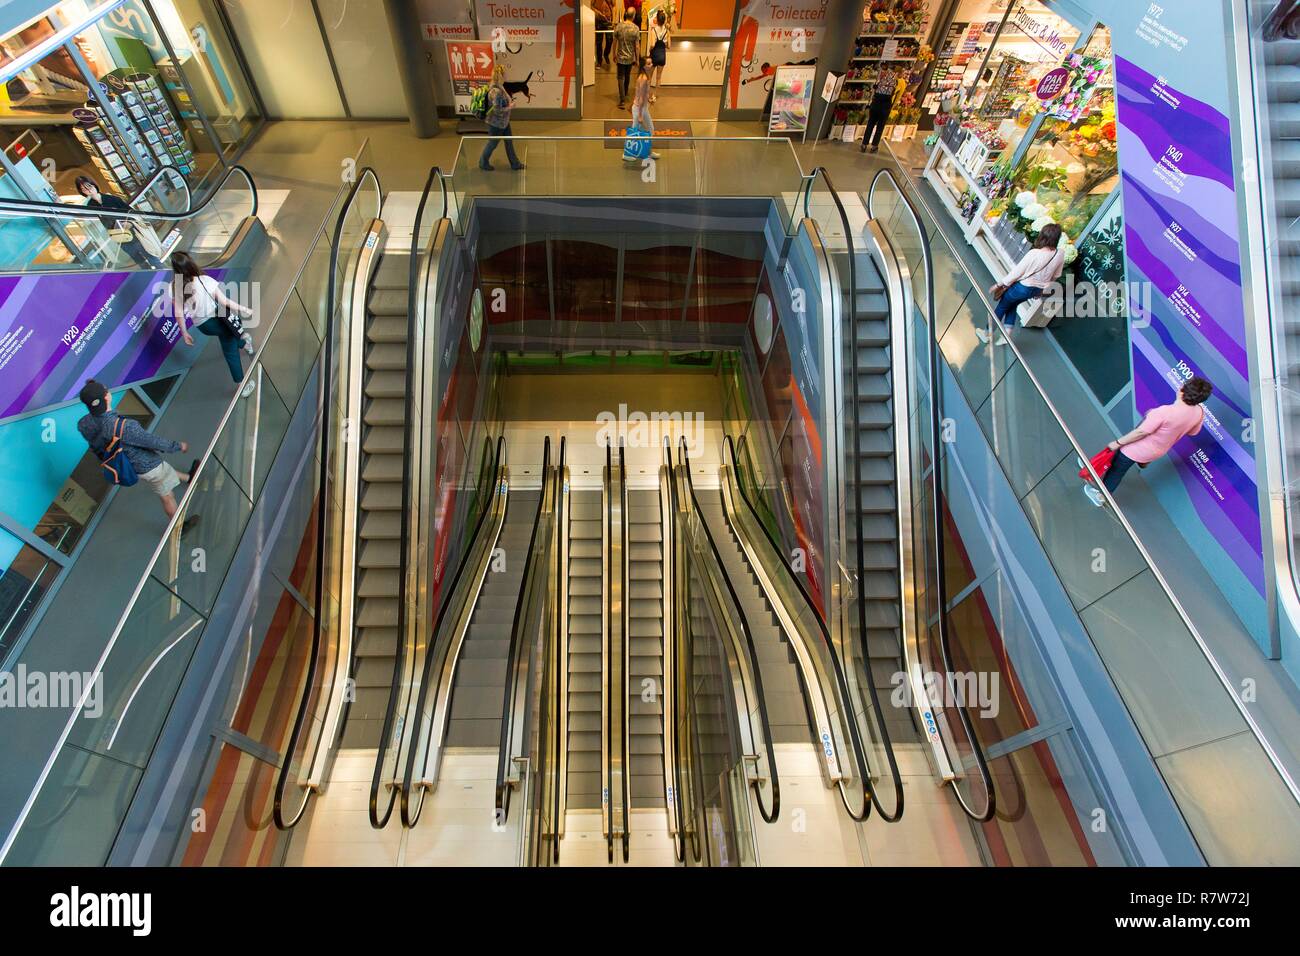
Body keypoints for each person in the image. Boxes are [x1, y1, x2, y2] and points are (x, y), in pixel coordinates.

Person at [77, 379, 198, 525]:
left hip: (126, 464)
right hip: (147, 465)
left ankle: (188, 477)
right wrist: (178, 446)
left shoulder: (83, 424)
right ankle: (179, 526)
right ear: (107, 397)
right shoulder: (124, 427)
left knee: (164, 474)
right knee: (167, 495)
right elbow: (152, 441)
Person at [1083, 377, 1213, 507]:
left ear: (1182, 391)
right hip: (1157, 451)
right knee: (1120, 465)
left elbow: (1141, 432)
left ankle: (1102, 496)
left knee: (1117, 470)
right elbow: (1193, 432)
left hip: (1136, 449)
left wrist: (1117, 442)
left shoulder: (1164, 412)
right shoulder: (1199, 412)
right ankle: (1097, 470)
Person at [170, 250, 258, 398]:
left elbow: (179, 314)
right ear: (191, 263)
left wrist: (184, 333)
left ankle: (245, 344)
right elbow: (225, 302)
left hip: (203, 326)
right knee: (230, 348)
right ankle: (241, 386)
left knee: (229, 333)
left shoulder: (175, 286)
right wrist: (245, 309)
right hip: (216, 319)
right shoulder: (204, 280)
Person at [976, 223, 1065, 344]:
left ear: (1042, 236)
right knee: (1012, 306)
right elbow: (1056, 275)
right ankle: (1006, 337)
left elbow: (1016, 273)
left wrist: (999, 284)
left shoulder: (1034, 253)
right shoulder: (1059, 254)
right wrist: (1043, 290)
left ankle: (986, 334)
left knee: (1002, 306)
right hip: (1036, 290)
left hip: (1022, 288)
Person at [74, 175, 160, 270]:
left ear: (94, 185)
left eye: (89, 186)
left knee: (149, 254)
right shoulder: (91, 206)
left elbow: (132, 212)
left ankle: (165, 273)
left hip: (132, 232)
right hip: (119, 236)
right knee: (138, 259)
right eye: (84, 189)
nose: (88, 190)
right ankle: (151, 275)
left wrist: (130, 223)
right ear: (82, 192)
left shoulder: (111, 199)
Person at [479, 65, 526, 172]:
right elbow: (497, 110)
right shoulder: (496, 91)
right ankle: (483, 162)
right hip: (496, 124)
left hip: (504, 122)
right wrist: (510, 107)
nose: (507, 75)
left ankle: (515, 164)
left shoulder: (499, 86)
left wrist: (509, 102)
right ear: (501, 75)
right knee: (492, 144)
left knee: (509, 142)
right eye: (505, 73)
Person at [626, 56, 661, 161]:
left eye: (651, 63)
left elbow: (642, 94)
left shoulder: (644, 76)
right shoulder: (644, 79)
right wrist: (640, 115)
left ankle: (647, 151)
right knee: (638, 130)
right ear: (643, 66)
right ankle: (627, 154)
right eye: (648, 64)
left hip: (641, 108)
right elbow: (640, 97)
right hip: (639, 109)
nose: (651, 65)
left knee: (641, 130)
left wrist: (649, 99)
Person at [859, 67, 898, 154]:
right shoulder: (895, 82)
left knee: (870, 124)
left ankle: (864, 144)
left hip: (876, 104)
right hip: (885, 106)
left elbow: (874, 90)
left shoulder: (879, 81)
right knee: (880, 127)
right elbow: (895, 93)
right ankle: (874, 146)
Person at [614, 8, 641, 110]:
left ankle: (622, 100)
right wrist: (637, 59)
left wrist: (613, 54)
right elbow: (637, 46)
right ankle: (624, 94)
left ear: (626, 14)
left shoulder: (618, 26)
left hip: (620, 57)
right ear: (633, 16)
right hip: (630, 58)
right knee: (627, 76)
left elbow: (615, 42)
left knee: (620, 77)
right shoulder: (636, 28)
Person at [648, 9, 670, 102]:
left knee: (649, 77)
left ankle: (649, 96)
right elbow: (669, 46)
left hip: (654, 56)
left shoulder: (654, 30)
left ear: (657, 19)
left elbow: (652, 44)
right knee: (658, 77)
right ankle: (655, 96)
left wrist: (650, 50)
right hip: (662, 56)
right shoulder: (667, 31)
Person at [594, 0, 615, 67]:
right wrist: (599, 13)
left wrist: (613, 20)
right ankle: (599, 60)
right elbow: (592, 6)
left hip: (608, 20)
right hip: (599, 20)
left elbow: (614, 6)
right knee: (599, 42)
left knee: (610, 40)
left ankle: (606, 54)